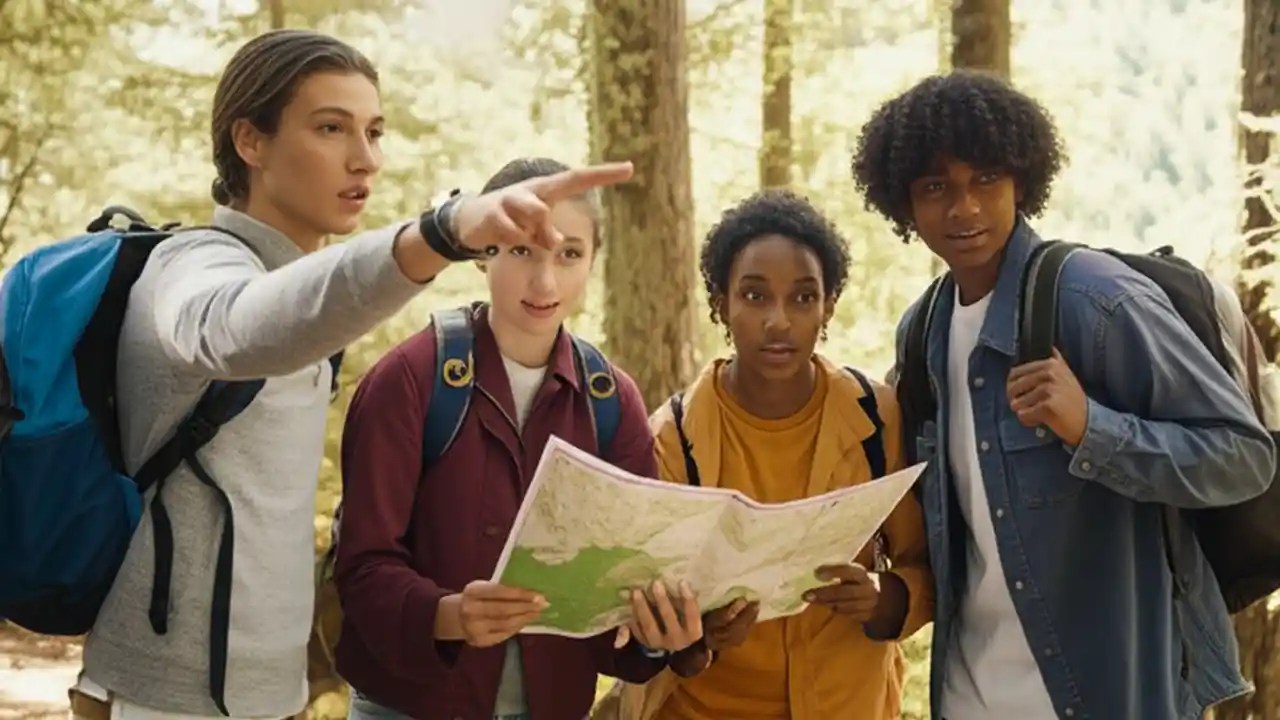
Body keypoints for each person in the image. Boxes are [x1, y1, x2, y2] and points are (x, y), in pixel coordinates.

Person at [68, 30, 637, 720]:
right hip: (158, 697)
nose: (365, 158)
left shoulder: (309, 297)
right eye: (331, 128)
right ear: (250, 141)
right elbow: (238, 328)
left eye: (374, 132)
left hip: (268, 697)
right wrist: (439, 233)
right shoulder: (191, 267)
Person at [852, 70, 1277, 719]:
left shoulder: (1096, 301)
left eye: (985, 179)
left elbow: (1242, 458)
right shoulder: (923, 331)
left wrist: (1092, 428)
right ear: (904, 203)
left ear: (1021, 182)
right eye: (936, 187)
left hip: (1105, 691)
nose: (964, 208)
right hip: (969, 694)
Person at [333, 157, 711, 720]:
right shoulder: (409, 380)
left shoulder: (611, 401)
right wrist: (448, 615)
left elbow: (622, 590)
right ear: (482, 252)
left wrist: (658, 637)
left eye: (569, 254)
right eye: (521, 251)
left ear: (594, 259)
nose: (545, 282)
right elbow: (361, 568)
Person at [603, 189, 933, 720]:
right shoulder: (673, 439)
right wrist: (701, 636)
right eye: (755, 296)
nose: (779, 321)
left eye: (803, 298)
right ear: (722, 304)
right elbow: (646, 625)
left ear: (828, 306)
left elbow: (929, 563)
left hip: (849, 705)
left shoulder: (877, 417)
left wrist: (883, 596)